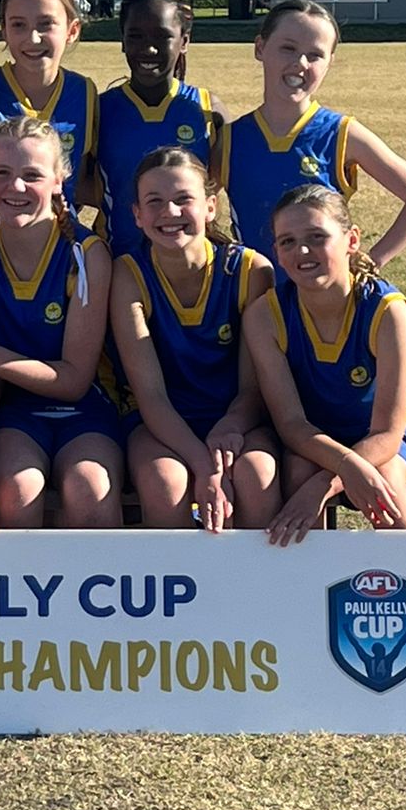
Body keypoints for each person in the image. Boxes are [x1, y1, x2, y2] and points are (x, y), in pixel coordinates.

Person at [0, 117, 122, 529]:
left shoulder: (85, 252)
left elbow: (75, 380)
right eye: (2, 174)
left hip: (85, 408)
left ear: (60, 180)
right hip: (15, 411)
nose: (16, 188)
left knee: (90, 489)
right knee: (18, 490)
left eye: (32, 176)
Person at [243, 183, 406, 544]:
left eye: (317, 237)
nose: (302, 251)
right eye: (287, 241)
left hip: (383, 437)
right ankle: (306, 593)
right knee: (298, 471)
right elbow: (291, 424)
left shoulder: (388, 312)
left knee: (387, 479)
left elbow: (387, 434)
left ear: (351, 240)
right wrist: (330, 471)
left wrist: (325, 484)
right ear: (277, 253)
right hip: (313, 437)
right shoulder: (266, 316)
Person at [110, 146, 278, 532]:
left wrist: (229, 429)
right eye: (155, 202)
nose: (170, 213)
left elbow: (255, 389)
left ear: (211, 206)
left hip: (237, 420)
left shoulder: (250, 271)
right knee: (165, 482)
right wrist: (206, 467)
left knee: (257, 474)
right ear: (136, 215)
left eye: (184, 200)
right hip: (160, 423)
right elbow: (150, 397)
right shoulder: (128, 275)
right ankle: (174, 589)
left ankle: (259, 588)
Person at [218, 0, 406, 262]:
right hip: (254, 295)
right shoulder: (229, 139)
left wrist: (373, 260)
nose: (301, 63)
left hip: (323, 297)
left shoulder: (342, 134)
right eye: (288, 48)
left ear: (329, 62)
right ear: (260, 48)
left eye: (315, 55)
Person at [96, 0, 218, 260]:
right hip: (119, 264)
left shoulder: (208, 112)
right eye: (135, 36)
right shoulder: (101, 110)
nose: (148, 49)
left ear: (184, 40)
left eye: (161, 37)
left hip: (190, 269)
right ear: (122, 39)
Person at [0, 0, 98, 214]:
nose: (33, 38)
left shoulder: (84, 93)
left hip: (60, 242)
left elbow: (87, 180)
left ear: (72, 30)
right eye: (18, 25)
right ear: (4, 30)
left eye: (46, 24)